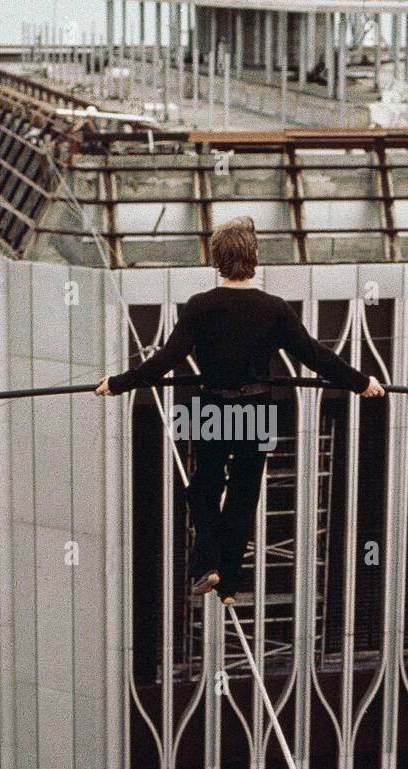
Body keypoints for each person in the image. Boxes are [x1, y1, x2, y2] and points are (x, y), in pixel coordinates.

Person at [96, 216, 385, 605]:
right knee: (244, 495)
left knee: (204, 487)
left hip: (213, 405)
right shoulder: (275, 309)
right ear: (254, 258)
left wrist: (117, 384)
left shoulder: (200, 307)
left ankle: (207, 566)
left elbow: (165, 360)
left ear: (217, 260)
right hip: (256, 408)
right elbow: (315, 356)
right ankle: (229, 583)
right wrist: (360, 382)